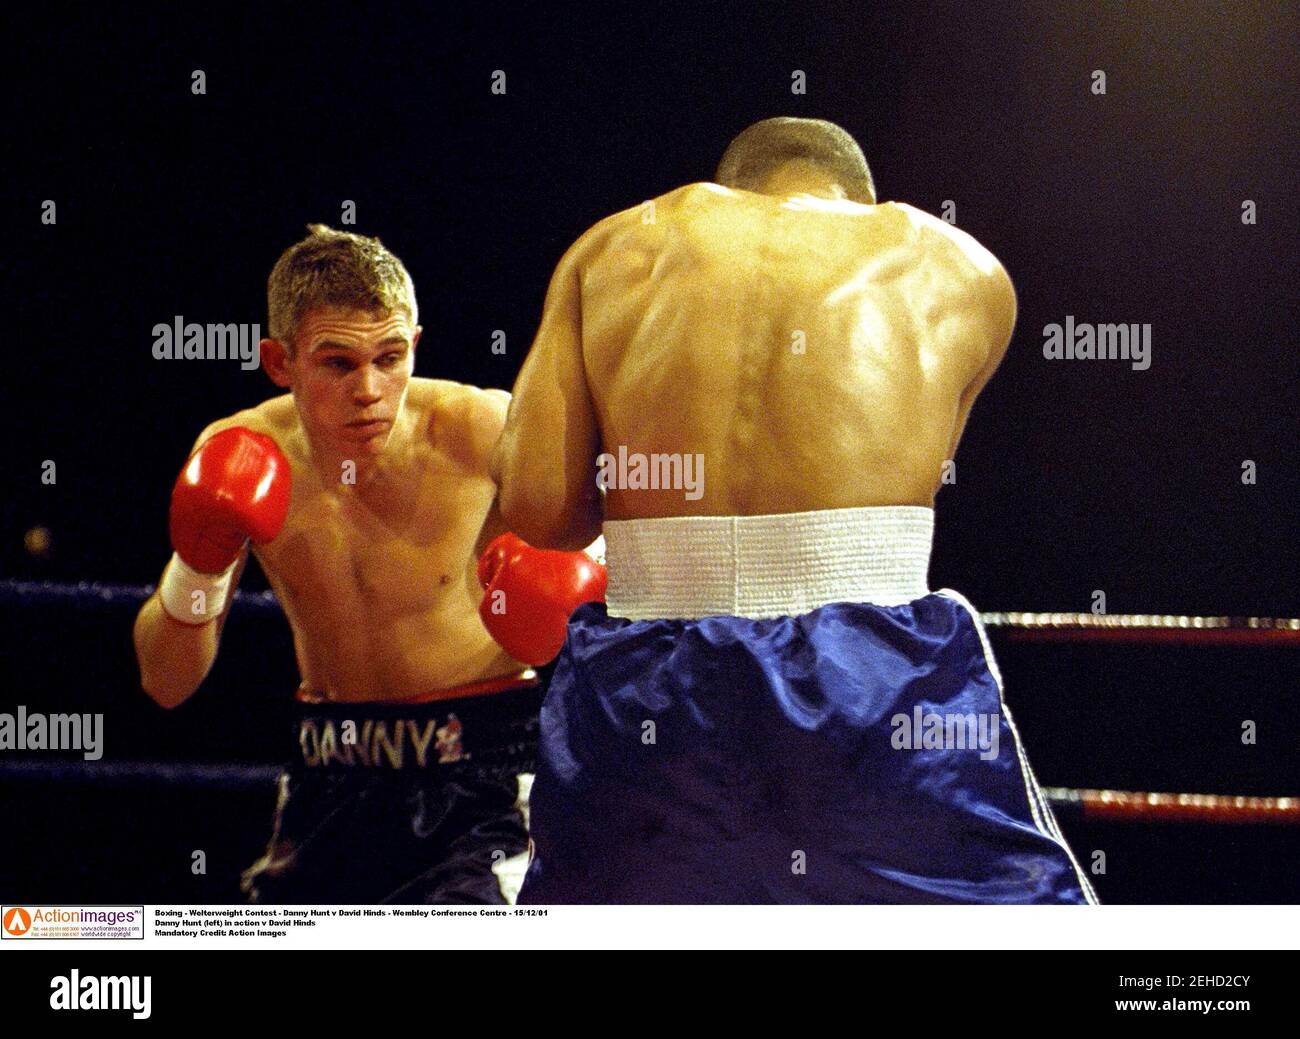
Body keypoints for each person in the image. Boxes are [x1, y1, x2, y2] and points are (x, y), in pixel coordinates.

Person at [494, 117, 1098, 903]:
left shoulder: (613, 247)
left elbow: (537, 508)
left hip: (647, 697)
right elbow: (917, 475)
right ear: (860, 196)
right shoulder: (957, 264)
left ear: (730, 185)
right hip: (873, 684)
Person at [132, 224, 601, 904]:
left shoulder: (484, 432)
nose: (371, 389)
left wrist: (569, 594)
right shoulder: (240, 453)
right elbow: (164, 681)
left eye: (390, 356)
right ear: (278, 361)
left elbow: (607, 552)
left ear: (414, 344)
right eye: (338, 363)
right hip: (327, 777)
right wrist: (198, 569)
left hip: (480, 775)